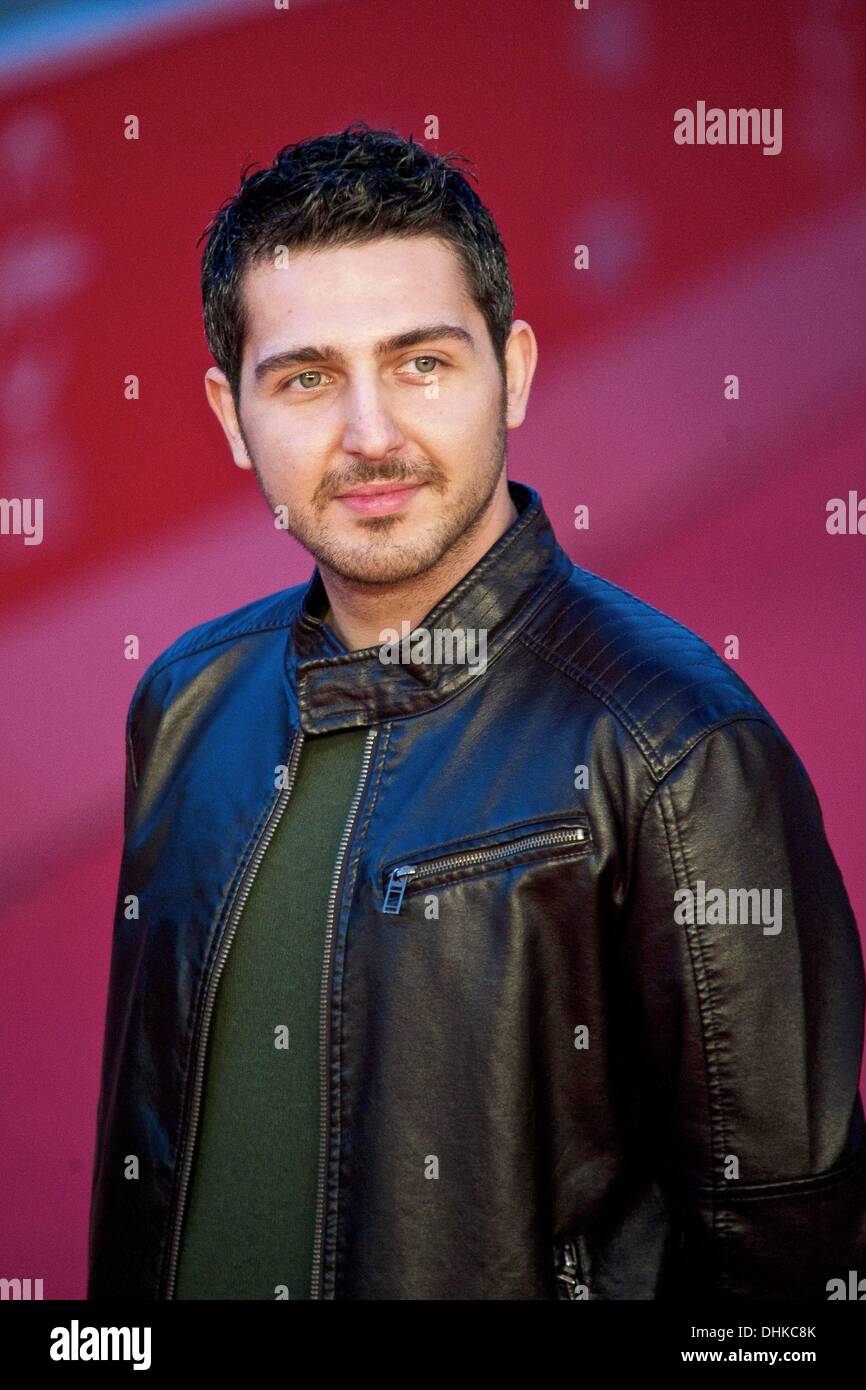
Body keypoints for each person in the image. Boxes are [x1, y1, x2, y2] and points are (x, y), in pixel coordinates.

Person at [87, 122, 866, 1301]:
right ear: (227, 411)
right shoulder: (184, 698)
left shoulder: (674, 745)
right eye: (305, 377)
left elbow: (786, 1251)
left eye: (420, 362)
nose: (367, 435)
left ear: (512, 369)